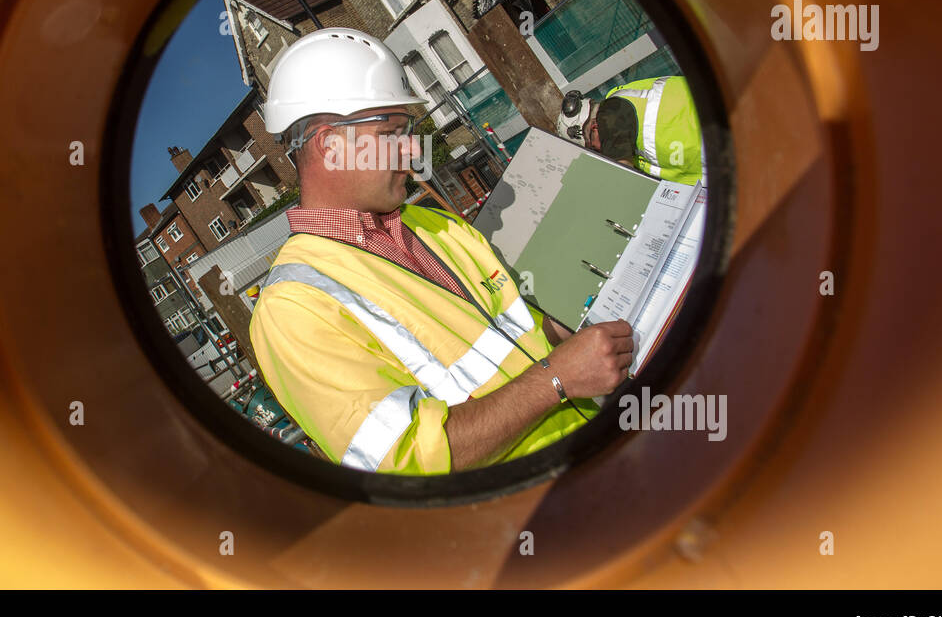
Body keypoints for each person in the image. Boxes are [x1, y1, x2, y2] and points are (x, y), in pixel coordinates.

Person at [248, 28, 633, 475]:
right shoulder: (292, 307)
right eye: (393, 131)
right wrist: (556, 378)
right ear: (330, 146)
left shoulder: (435, 226)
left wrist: (554, 333)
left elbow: (513, 344)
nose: (414, 149)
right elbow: (406, 460)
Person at [556, 75, 705, 185]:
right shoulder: (628, 100)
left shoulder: (611, 112)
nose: (601, 152)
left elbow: (624, 179)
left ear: (594, 128)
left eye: (593, 148)